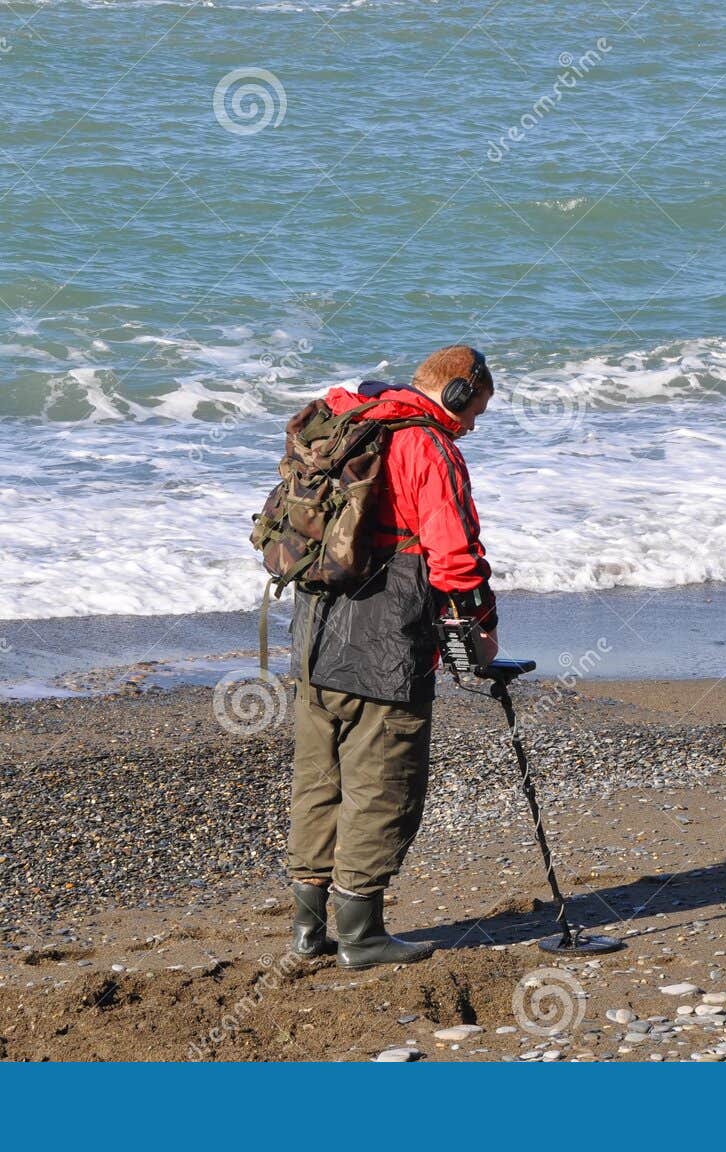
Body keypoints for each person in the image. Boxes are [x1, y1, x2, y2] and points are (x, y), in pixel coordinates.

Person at [285, 345, 500, 969]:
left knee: (319, 782)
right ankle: (361, 934)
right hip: (386, 640)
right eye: (476, 411)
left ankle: (307, 929)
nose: (474, 424)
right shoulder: (426, 445)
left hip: (315, 632)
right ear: (458, 393)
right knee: (384, 787)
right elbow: (455, 556)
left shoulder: (348, 423)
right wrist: (482, 628)